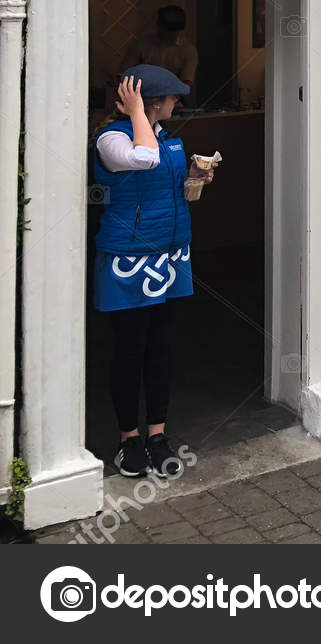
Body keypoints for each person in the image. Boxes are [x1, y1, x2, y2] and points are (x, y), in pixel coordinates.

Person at [90, 65, 214, 479]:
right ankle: (129, 440)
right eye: (173, 96)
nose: (178, 101)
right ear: (151, 102)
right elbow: (143, 159)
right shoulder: (112, 139)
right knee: (130, 349)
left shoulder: (169, 139)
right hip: (128, 260)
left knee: (162, 348)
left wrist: (194, 177)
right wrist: (135, 111)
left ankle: (157, 436)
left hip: (170, 256)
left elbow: (169, 190)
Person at [120, 5, 199, 92]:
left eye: (173, 31)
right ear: (158, 26)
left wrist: (174, 95)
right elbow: (126, 72)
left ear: (180, 30)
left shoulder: (188, 50)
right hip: (142, 93)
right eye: (166, 30)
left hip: (173, 95)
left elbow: (187, 82)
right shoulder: (142, 43)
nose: (169, 35)